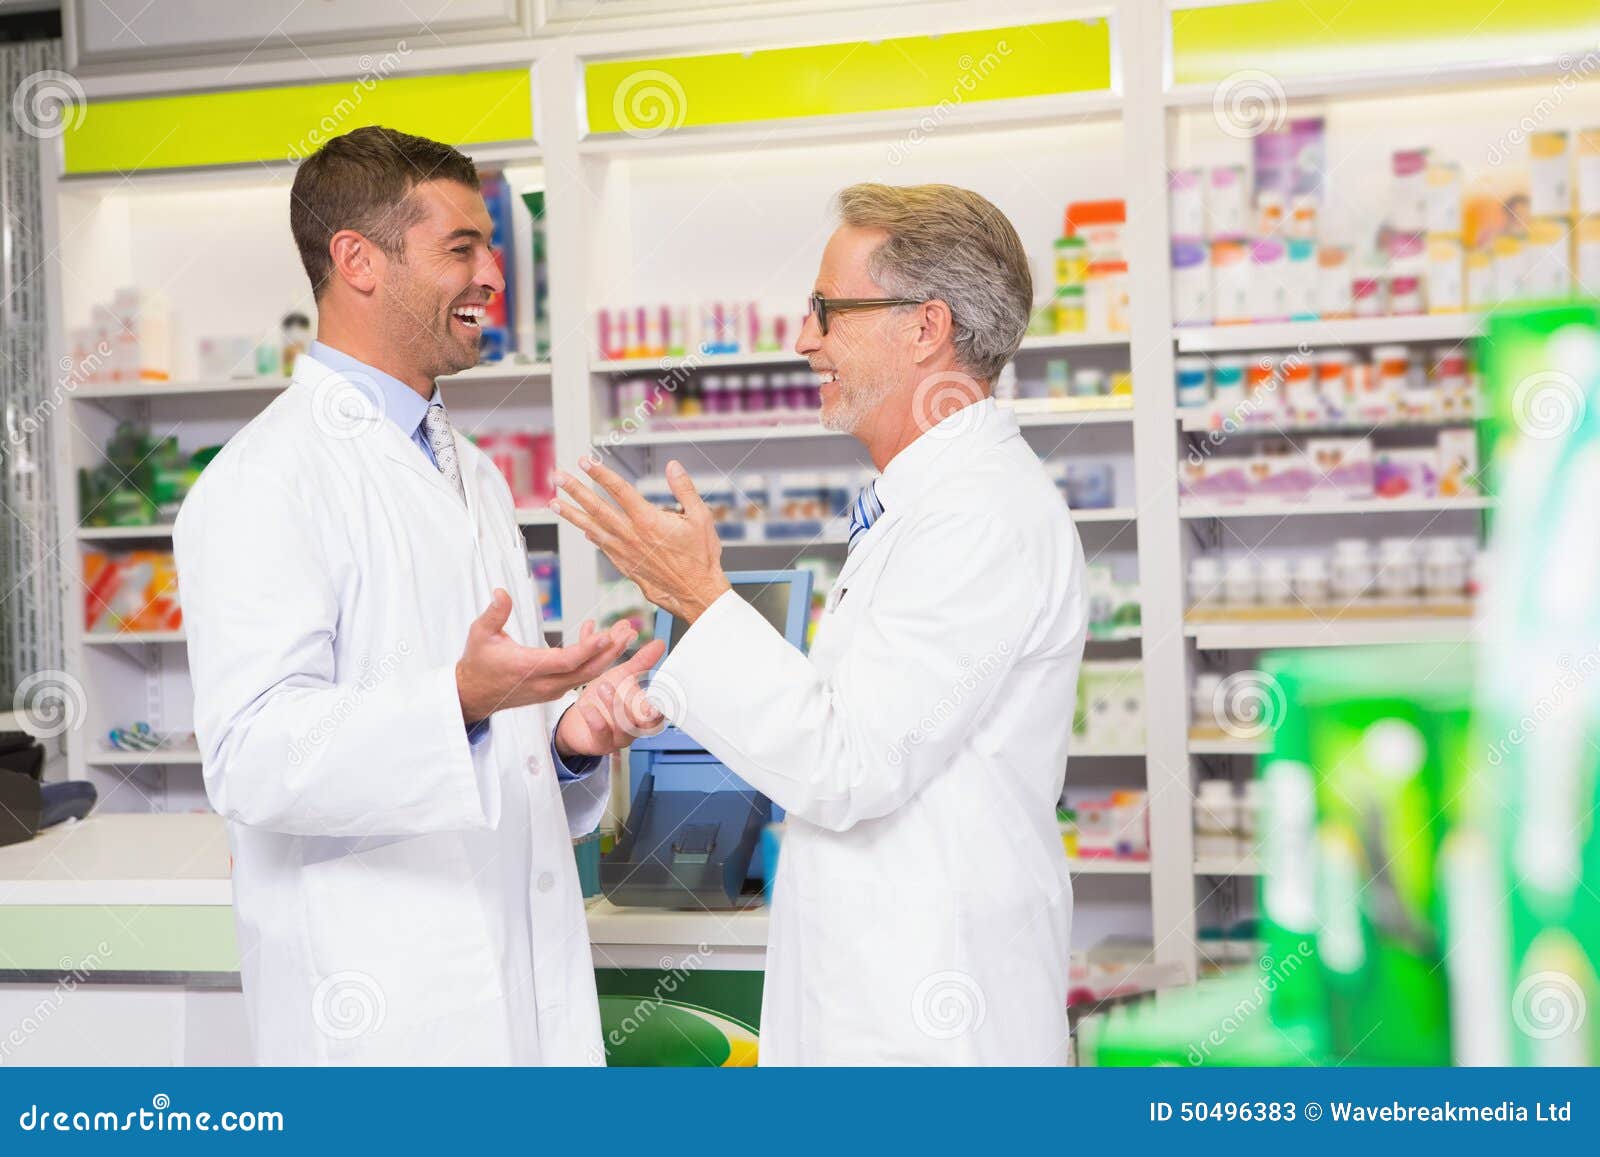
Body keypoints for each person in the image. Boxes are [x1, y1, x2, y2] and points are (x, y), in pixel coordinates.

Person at [553, 183, 1087, 1065]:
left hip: (934, 1023)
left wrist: (699, 598)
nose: (804, 338)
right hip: (888, 997)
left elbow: (851, 765)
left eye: (827, 310)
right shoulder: (925, 502)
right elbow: (852, 723)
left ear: (925, 328)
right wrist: (676, 691)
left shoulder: (978, 517)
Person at [175, 126, 663, 1065]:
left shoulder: (468, 471)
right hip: (383, 1012)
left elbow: (492, 751)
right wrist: (459, 699)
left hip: (514, 987)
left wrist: (565, 740)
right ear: (357, 260)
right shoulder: (264, 480)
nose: (493, 276)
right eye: (461, 248)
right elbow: (251, 756)